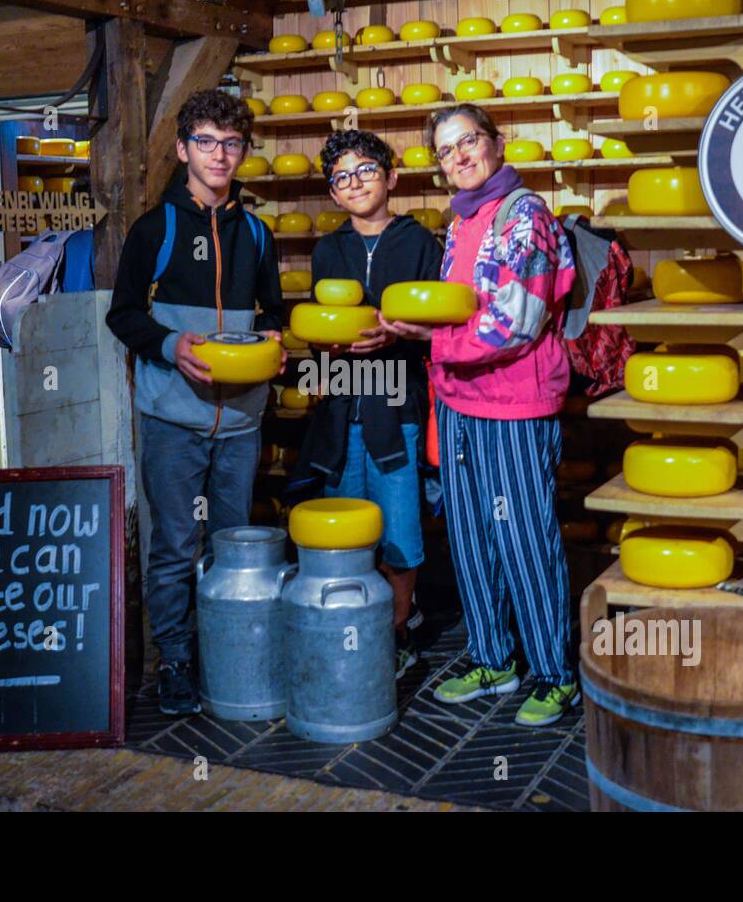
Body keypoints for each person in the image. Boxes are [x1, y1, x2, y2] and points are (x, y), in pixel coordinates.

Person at [380, 104, 579, 728]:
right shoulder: (462, 221)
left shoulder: (527, 217)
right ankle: (493, 658)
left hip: (516, 405)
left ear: (495, 144)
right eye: (446, 150)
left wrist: (426, 342)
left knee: (524, 537)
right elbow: (456, 309)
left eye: (469, 141)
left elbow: (514, 323)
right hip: (461, 403)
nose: (460, 156)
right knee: (470, 537)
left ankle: (554, 673)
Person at [106, 89, 284, 716]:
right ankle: (176, 661)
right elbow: (121, 316)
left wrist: (277, 339)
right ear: (183, 149)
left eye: (232, 143)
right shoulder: (154, 230)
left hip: (239, 421)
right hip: (173, 421)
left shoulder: (257, 234)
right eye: (206, 141)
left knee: (233, 543)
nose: (220, 154)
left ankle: (229, 653)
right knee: (176, 545)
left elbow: (274, 312)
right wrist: (167, 345)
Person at [293, 129, 442, 679]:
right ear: (334, 193)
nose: (354, 183)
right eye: (342, 177)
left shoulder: (421, 242)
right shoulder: (328, 248)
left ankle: (397, 632)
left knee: (399, 532)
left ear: (392, 178)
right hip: (339, 409)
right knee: (346, 528)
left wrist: (395, 337)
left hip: (395, 406)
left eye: (366, 171)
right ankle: (351, 632)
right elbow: (316, 323)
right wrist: (324, 343)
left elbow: (437, 321)